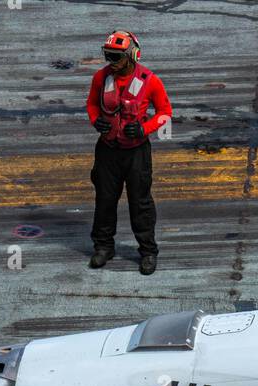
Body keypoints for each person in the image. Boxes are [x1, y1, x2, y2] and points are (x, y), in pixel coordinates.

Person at [85, 29, 172, 274]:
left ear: (132, 55)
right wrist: (95, 121)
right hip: (107, 151)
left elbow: (165, 112)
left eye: (116, 57)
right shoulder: (101, 78)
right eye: (107, 56)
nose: (110, 63)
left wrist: (144, 129)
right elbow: (92, 104)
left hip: (136, 152)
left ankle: (148, 252)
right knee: (104, 200)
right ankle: (103, 247)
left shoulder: (150, 81)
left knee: (140, 203)